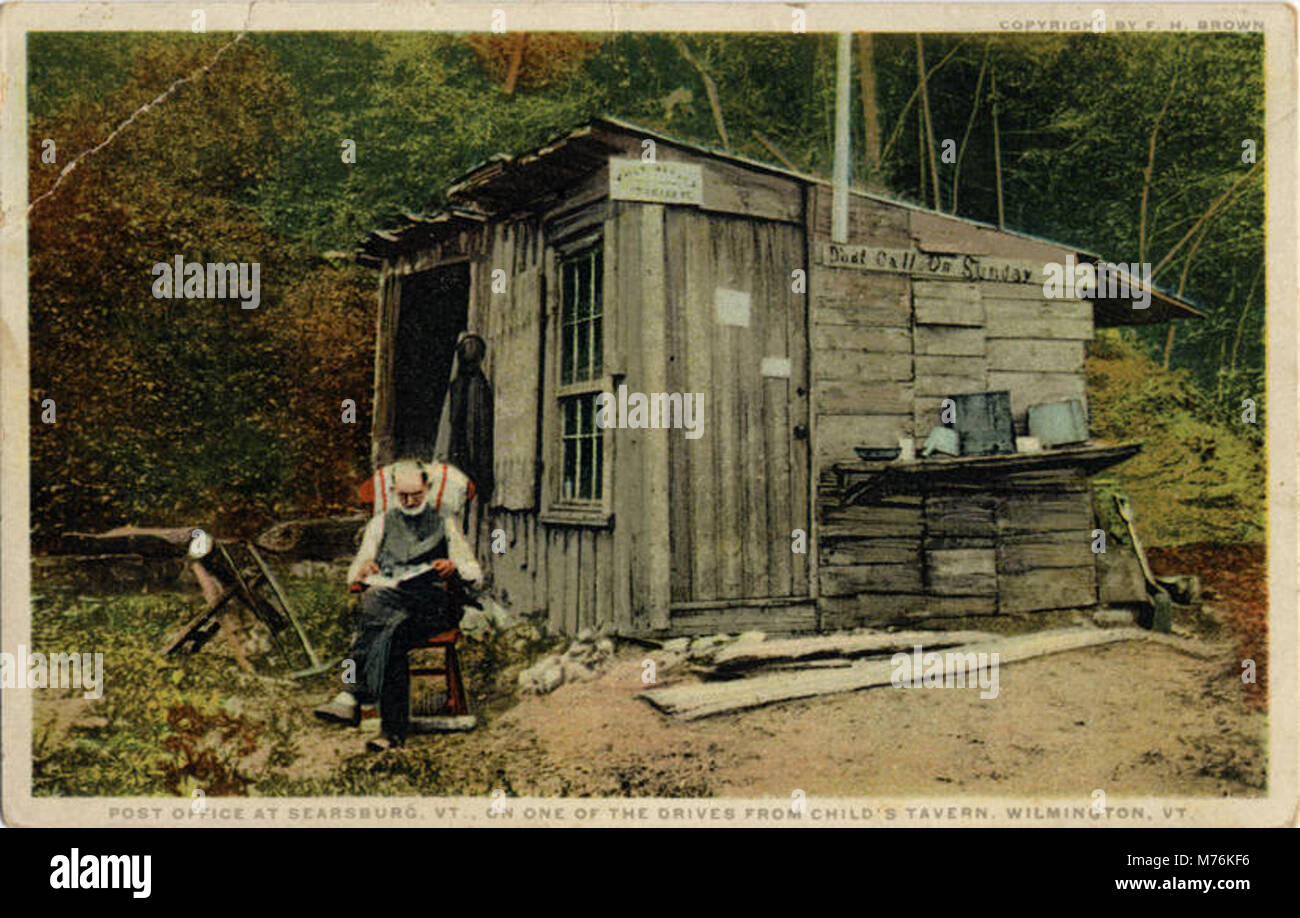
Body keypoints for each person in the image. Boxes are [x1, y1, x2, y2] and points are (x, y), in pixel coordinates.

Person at [313, 458, 482, 751]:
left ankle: (352, 696)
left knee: (379, 615)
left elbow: (475, 573)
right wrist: (364, 569)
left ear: (427, 489)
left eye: (415, 495)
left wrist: (453, 566)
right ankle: (390, 734)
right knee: (388, 627)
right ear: (392, 492)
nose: (409, 501)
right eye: (402, 495)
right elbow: (354, 573)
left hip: (432, 607)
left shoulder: (445, 523)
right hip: (394, 603)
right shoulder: (380, 523)